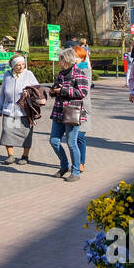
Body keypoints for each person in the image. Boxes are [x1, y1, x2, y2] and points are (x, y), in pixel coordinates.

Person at [48, 46, 90, 180]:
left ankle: (76, 171)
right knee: (54, 141)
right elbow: (56, 89)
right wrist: (53, 91)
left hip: (72, 112)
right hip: (59, 112)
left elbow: (82, 93)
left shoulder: (79, 73)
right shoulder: (61, 73)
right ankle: (64, 165)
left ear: (68, 60)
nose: (60, 63)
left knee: (72, 143)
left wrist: (63, 90)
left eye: (62, 60)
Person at [0, 54, 39, 165]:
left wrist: (29, 92)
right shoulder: (7, 75)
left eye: (23, 65)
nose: (21, 67)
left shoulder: (28, 74)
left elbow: (37, 90)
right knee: (7, 132)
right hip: (9, 110)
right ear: (13, 66)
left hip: (24, 110)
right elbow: (2, 92)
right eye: (18, 65)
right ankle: (10, 155)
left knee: (25, 134)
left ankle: (25, 156)